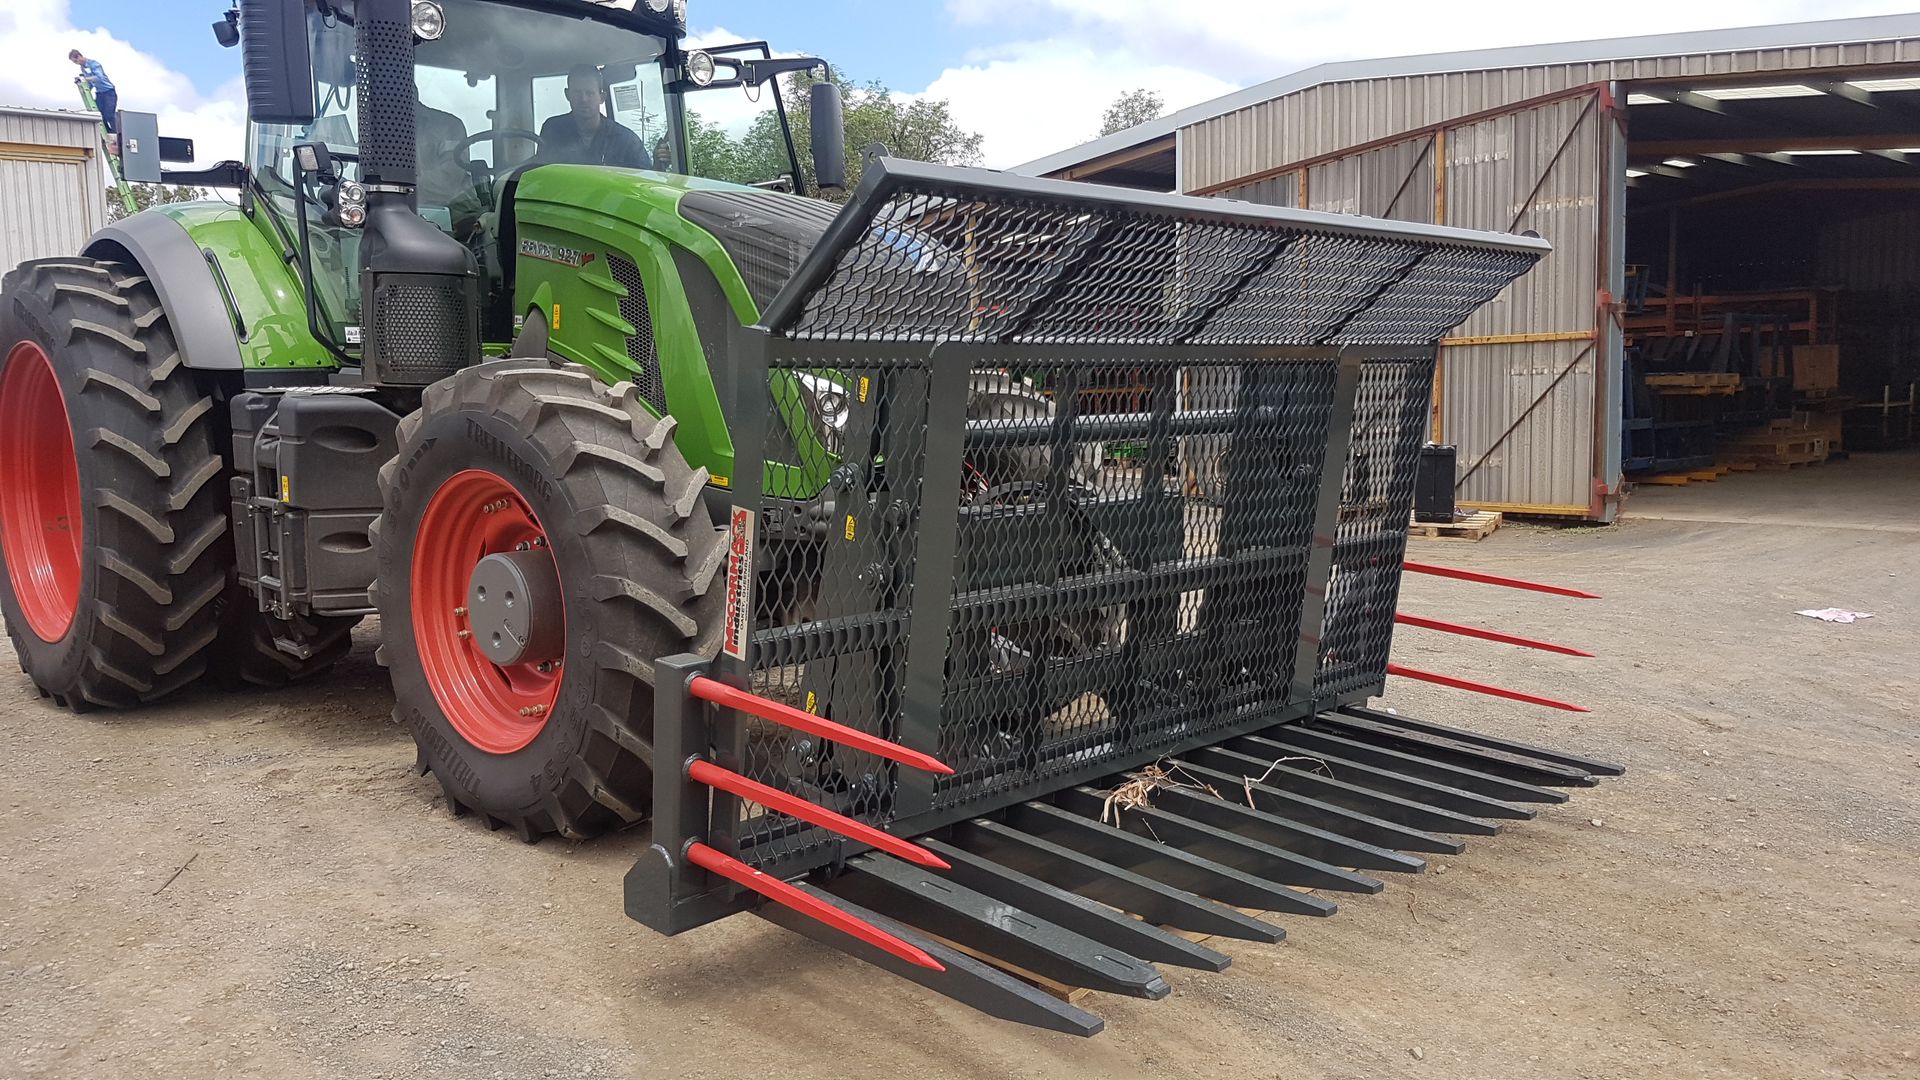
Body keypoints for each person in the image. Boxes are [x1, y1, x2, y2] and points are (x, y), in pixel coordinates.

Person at [538, 65, 651, 170]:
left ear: (602, 97)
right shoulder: (552, 130)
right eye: (578, 92)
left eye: (590, 93)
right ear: (567, 95)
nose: (584, 99)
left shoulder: (626, 141)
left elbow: (645, 181)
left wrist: (660, 164)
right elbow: (539, 174)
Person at [69, 49, 117, 133]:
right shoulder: (83, 68)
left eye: (76, 61)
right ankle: (108, 132)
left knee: (109, 114)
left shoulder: (94, 64)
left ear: (79, 56)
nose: (77, 63)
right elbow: (91, 83)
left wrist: (85, 79)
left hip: (109, 92)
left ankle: (116, 133)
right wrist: (84, 88)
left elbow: (99, 78)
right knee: (99, 115)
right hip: (100, 93)